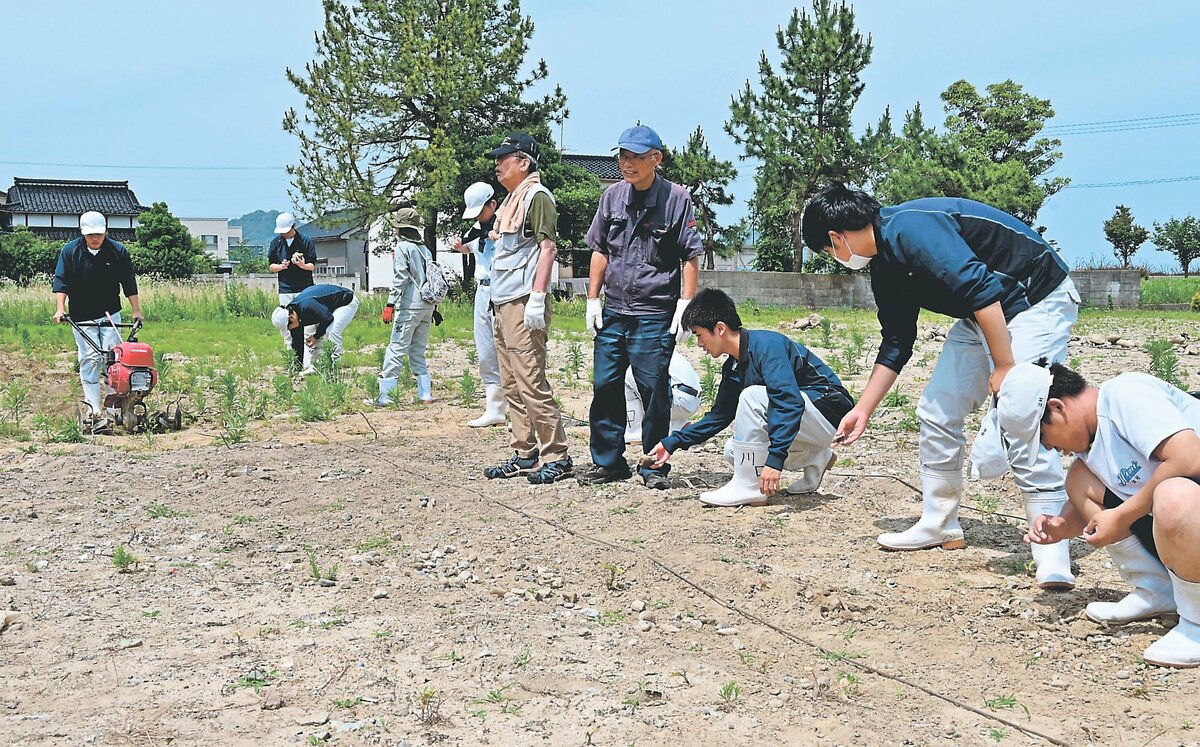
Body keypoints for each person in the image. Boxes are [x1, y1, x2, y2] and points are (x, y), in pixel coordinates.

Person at [801, 186, 1080, 590]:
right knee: (937, 409)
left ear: (836, 238)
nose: (837, 258)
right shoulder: (885, 265)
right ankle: (939, 522)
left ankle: (1052, 551)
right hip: (982, 314)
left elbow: (981, 287)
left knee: (1023, 418)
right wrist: (863, 408)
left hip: (1035, 300)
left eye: (829, 251)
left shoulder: (912, 228)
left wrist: (1004, 367)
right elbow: (897, 340)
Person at [997, 361, 1200, 668]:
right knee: (1079, 479)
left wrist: (1121, 516)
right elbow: (1113, 495)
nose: (1050, 448)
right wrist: (1061, 526)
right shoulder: (1091, 444)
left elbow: (1189, 458)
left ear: (1057, 407)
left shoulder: (1126, 394)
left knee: (1174, 496)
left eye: (1043, 437)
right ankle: (1157, 589)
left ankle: (1196, 623)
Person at [579, 125, 704, 490]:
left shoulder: (676, 199)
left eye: (635, 157)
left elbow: (690, 255)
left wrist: (685, 304)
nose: (627, 164)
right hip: (615, 309)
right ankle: (609, 462)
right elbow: (600, 249)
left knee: (654, 390)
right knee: (605, 385)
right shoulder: (612, 197)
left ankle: (653, 464)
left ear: (656, 159)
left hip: (654, 311)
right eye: (623, 156)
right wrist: (592, 299)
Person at [648, 288, 854, 507]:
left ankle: (748, 487)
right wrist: (672, 442)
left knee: (752, 396)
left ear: (720, 328)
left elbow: (789, 403)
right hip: (808, 423)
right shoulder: (733, 367)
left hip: (832, 416)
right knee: (733, 451)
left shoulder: (767, 346)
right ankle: (816, 458)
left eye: (699, 335)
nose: (699, 344)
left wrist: (774, 461)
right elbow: (719, 417)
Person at [480, 132, 574, 484]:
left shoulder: (537, 197)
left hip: (523, 301)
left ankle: (557, 455)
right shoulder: (511, 201)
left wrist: (538, 296)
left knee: (531, 381)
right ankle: (525, 452)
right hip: (503, 301)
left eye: (503, 157)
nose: (497, 164)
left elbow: (548, 248)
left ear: (523, 162)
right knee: (511, 383)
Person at [52, 211, 143, 423]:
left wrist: (136, 311)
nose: (95, 238)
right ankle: (93, 408)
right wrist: (60, 309)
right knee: (89, 358)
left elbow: (128, 282)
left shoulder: (117, 251)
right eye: (90, 234)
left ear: (105, 232)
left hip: (110, 313)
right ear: (82, 232)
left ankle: (113, 408)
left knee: (113, 359)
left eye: (99, 234)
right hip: (81, 315)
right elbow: (61, 281)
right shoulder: (70, 251)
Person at [366, 207, 436, 406]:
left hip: (410, 305)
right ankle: (425, 395)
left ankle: (386, 396)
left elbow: (400, 277)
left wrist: (390, 303)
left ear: (400, 228)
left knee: (396, 348)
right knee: (418, 350)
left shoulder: (402, 247)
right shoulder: (425, 249)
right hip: (427, 305)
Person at [450, 182, 506, 426]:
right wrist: (459, 247)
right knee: (485, 348)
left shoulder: (507, 223)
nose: (478, 217)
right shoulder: (475, 229)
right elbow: (470, 247)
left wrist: (501, 237)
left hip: (504, 289)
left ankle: (520, 411)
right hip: (482, 290)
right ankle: (494, 408)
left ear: (493, 204)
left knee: (509, 349)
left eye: (481, 211)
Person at [270, 283, 360, 371]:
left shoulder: (308, 306)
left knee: (332, 331)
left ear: (291, 318)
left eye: (288, 327)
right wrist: (297, 368)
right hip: (326, 307)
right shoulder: (294, 313)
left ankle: (335, 366)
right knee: (314, 333)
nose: (290, 330)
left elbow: (328, 318)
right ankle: (317, 366)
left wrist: (316, 336)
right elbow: (297, 343)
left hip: (346, 301)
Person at [267, 212, 318, 366]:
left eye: (286, 230)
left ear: (294, 226)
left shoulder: (306, 241)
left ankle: (309, 363)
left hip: (304, 288)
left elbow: (312, 266)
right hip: (285, 289)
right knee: (287, 325)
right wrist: (281, 266)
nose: (284, 234)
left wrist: (302, 265)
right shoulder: (276, 242)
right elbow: (271, 266)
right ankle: (292, 361)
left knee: (308, 326)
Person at [624, 351, 701, 444]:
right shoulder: (661, 348)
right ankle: (680, 424)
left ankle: (636, 434)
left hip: (678, 402)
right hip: (692, 402)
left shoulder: (639, 351)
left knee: (628, 372)